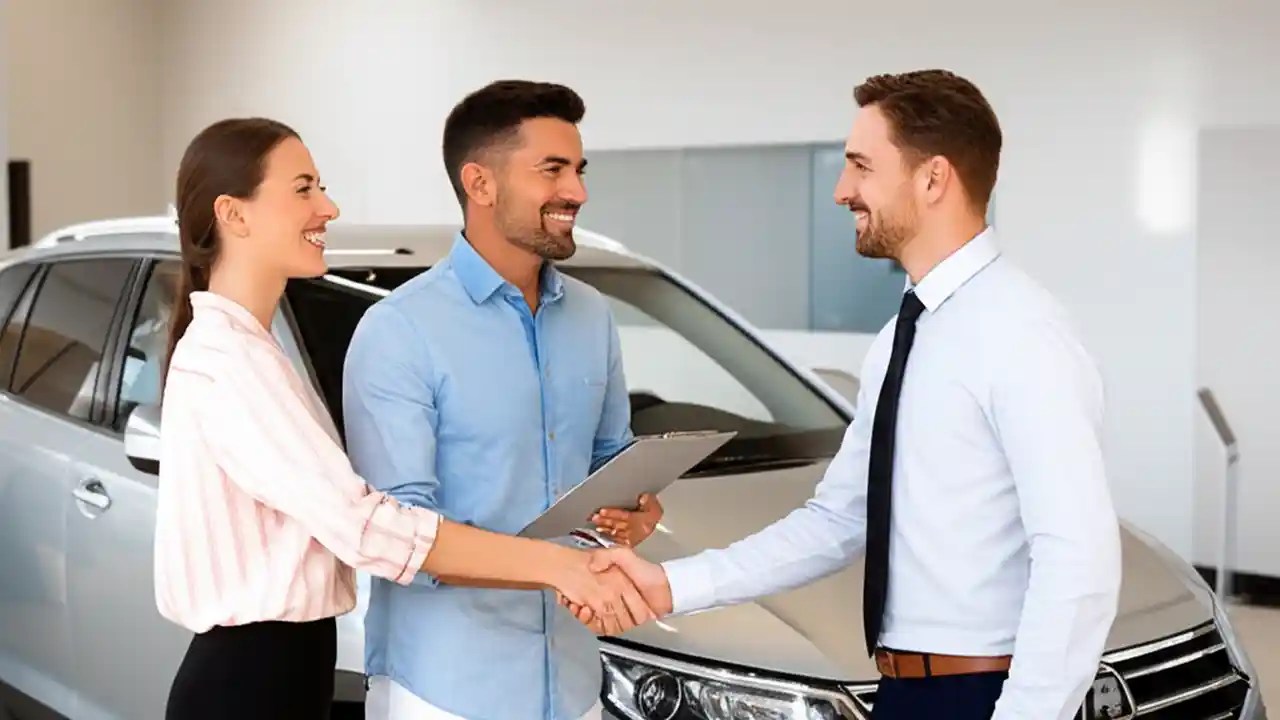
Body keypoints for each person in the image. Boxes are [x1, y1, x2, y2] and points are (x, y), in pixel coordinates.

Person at [578, 69, 1123, 720]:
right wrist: (670, 584)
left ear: (933, 179)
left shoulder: (1022, 334)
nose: (841, 192)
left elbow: (1078, 558)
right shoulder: (904, 335)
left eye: (861, 166)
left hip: (981, 696)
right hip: (904, 691)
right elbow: (838, 520)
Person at [154, 116, 653, 720]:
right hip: (251, 679)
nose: (328, 207)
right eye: (304, 189)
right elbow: (366, 526)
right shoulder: (225, 360)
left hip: (284, 668)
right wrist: (559, 566)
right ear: (235, 215)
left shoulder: (253, 351)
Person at [341, 80, 663, 720]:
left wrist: (636, 513)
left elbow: (607, 460)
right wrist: (555, 567)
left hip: (575, 687)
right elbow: (402, 533)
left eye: (578, 169)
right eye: (552, 170)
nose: (577, 191)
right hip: (445, 692)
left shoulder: (592, 317)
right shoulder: (400, 330)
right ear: (480, 184)